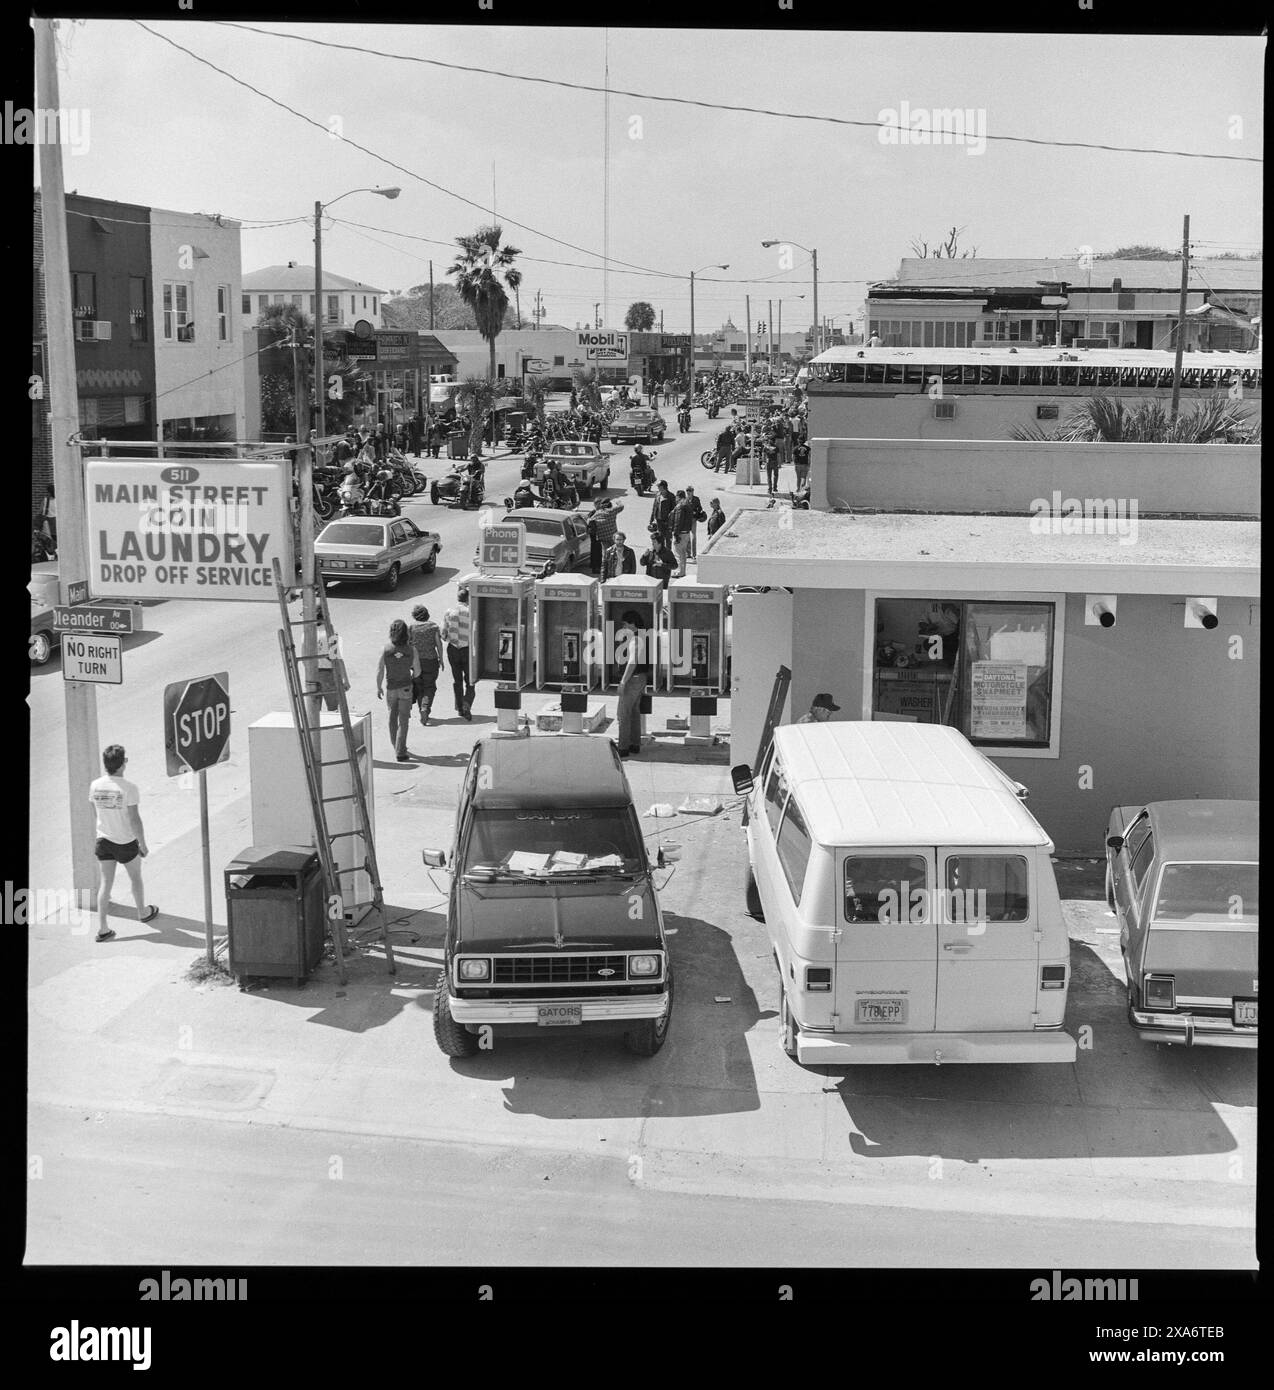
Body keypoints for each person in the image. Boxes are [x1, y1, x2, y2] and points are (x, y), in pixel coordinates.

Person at [89, 744, 158, 941]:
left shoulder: (95, 785)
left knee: (106, 884)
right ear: (122, 765)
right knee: (135, 877)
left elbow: (95, 812)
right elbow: (135, 820)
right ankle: (143, 912)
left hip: (103, 841)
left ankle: (102, 929)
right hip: (125, 842)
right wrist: (142, 845)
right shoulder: (129, 788)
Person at [377, 619, 420, 761]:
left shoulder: (386, 649)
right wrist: (410, 675)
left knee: (392, 718)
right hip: (406, 687)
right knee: (404, 720)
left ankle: (395, 745)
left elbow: (380, 670)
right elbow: (418, 671)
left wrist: (378, 686)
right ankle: (400, 751)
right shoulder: (411, 650)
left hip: (391, 688)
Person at [614, 611, 650, 758]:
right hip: (641, 678)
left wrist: (623, 681)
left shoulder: (635, 639)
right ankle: (634, 744)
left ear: (632, 623)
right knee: (634, 712)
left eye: (625, 624)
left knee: (623, 713)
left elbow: (632, 661)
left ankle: (622, 748)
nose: (623, 627)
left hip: (632, 679)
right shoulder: (643, 635)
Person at [408, 605, 446, 725]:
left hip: (416, 662)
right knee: (429, 686)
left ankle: (421, 710)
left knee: (419, 687)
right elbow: (439, 644)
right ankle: (425, 708)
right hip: (431, 661)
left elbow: (408, 644)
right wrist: (441, 659)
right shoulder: (433, 627)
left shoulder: (411, 628)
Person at [443, 586, 475, 720]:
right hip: (466, 650)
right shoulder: (471, 612)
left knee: (457, 680)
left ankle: (460, 708)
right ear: (467, 599)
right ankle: (467, 702)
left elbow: (443, 634)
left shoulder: (449, 612)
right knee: (470, 681)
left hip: (453, 649)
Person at [587, 496, 624, 574]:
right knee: (616, 554)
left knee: (606, 556)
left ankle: (605, 571)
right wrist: (618, 501)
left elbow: (589, 521)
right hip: (613, 538)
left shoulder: (596, 514)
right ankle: (616, 570)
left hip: (603, 539)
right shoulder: (611, 511)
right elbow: (621, 506)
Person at [685, 485, 707, 559]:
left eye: (690, 491)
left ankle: (694, 554)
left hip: (693, 519)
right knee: (687, 536)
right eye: (687, 491)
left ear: (693, 492)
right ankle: (688, 553)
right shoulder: (685, 500)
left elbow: (700, 508)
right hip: (687, 520)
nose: (688, 493)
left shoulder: (696, 499)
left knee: (693, 536)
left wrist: (697, 513)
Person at [40, 484, 57, 553]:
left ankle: (52, 552)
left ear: (49, 492)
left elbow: (41, 511)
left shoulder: (46, 500)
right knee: (56, 538)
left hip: (48, 521)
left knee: (49, 538)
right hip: (56, 520)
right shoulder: (59, 501)